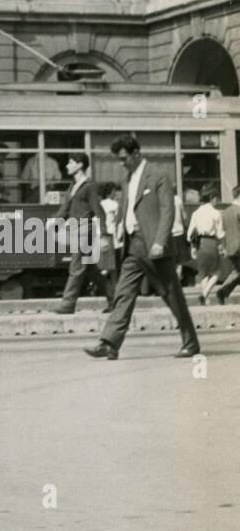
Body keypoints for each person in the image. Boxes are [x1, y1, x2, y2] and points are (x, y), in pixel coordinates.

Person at [86, 134, 200, 361]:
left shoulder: (157, 175)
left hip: (154, 246)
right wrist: (120, 229)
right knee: (123, 294)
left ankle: (191, 343)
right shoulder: (128, 179)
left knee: (172, 296)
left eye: (124, 158)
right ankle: (109, 343)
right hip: (132, 245)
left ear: (136, 153)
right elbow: (127, 208)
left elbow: (168, 211)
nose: (121, 163)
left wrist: (160, 241)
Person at [52, 153, 114, 314]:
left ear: (80, 165)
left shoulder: (89, 186)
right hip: (75, 230)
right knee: (91, 269)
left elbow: (98, 211)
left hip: (85, 230)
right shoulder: (73, 186)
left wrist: (104, 234)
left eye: (70, 162)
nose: (67, 165)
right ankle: (114, 300)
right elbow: (65, 209)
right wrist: (55, 223)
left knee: (76, 266)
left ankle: (68, 304)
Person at [187, 188, 226, 304]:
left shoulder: (196, 213)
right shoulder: (216, 213)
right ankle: (204, 294)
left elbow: (189, 233)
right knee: (217, 273)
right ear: (212, 198)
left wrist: (193, 247)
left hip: (200, 243)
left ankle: (206, 299)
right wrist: (222, 247)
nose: (217, 201)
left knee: (203, 272)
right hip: (211, 242)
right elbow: (220, 233)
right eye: (216, 199)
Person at [215, 186, 240, 304]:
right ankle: (223, 291)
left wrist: (224, 246)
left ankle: (223, 291)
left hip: (230, 247)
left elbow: (222, 231)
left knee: (237, 271)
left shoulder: (225, 212)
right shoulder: (239, 211)